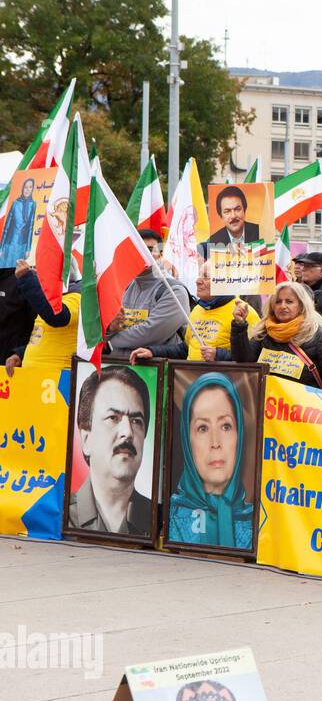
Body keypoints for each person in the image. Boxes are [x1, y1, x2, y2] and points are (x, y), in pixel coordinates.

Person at [168, 372, 254, 550]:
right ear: (187, 440)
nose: (215, 443)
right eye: (202, 428)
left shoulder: (257, 522)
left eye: (226, 426)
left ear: (239, 435)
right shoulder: (171, 517)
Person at [69, 365, 153, 537]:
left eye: (136, 421)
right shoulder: (63, 516)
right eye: (113, 418)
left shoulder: (159, 521)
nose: (128, 433)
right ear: (86, 439)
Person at [129, 261, 260, 364]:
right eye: (199, 275)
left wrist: (219, 355)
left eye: (206, 277)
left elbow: (252, 357)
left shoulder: (244, 312)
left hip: (223, 390)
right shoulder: (197, 310)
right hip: (192, 386)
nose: (198, 281)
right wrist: (152, 352)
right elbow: (185, 349)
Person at [230, 281, 322, 392]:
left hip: (303, 409)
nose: (282, 306)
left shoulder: (317, 336)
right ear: (272, 306)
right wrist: (239, 325)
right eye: (278, 302)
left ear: (301, 305)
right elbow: (243, 361)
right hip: (266, 406)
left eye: (289, 302)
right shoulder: (263, 333)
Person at [103, 230, 190, 358]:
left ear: (161, 255)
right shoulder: (124, 287)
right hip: (119, 366)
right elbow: (108, 324)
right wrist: (110, 329)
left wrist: (108, 340)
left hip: (157, 371)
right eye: (137, 250)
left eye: (149, 250)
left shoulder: (175, 291)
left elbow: (149, 334)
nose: (142, 255)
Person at [5, 260, 79, 373]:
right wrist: (21, 354)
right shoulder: (51, 301)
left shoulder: (77, 297)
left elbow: (57, 318)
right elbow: (44, 338)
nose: (35, 273)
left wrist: (27, 280)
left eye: (42, 270)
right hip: (39, 381)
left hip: (58, 382)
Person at [0, 178, 37, 267]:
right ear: (22, 188)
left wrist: (28, 248)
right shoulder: (15, 203)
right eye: (25, 187)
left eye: (30, 187)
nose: (27, 190)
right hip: (10, 243)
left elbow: (30, 228)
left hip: (22, 245)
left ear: (32, 189)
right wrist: (1, 247)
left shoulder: (33, 204)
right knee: (5, 267)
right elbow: (7, 226)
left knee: (17, 270)